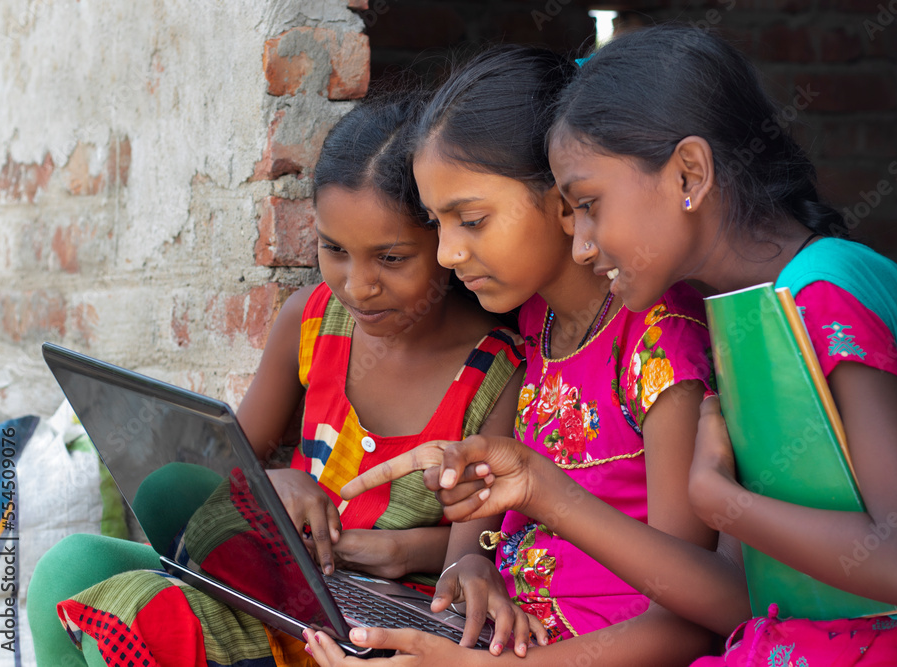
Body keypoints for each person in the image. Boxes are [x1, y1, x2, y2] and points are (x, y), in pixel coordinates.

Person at [318, 25, 897, 666]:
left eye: (588, 204)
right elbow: (749, 598)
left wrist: (725, 505)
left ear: (689, 173)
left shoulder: (805, 298)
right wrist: (470, 551)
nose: (581, 243)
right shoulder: (738, 311)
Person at [26, 91, 526, 667]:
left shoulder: (496, 372)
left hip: (379, 620)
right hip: (286, 576)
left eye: (390, 259)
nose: (357, 285)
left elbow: (478, 554)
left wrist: (394, 550)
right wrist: (273, 484)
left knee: (141, 607)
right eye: (334, 249)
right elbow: (230, 458)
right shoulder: (312, 319)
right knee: (77, 561)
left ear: (444, 239)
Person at [304, 45, 744, 667]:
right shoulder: (535, 324)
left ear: (564, 199)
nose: (449, 254)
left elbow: (686, 625)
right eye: (438, 225)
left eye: (472, 221)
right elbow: (508, 523)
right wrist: (474, 562)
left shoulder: (657, 343)